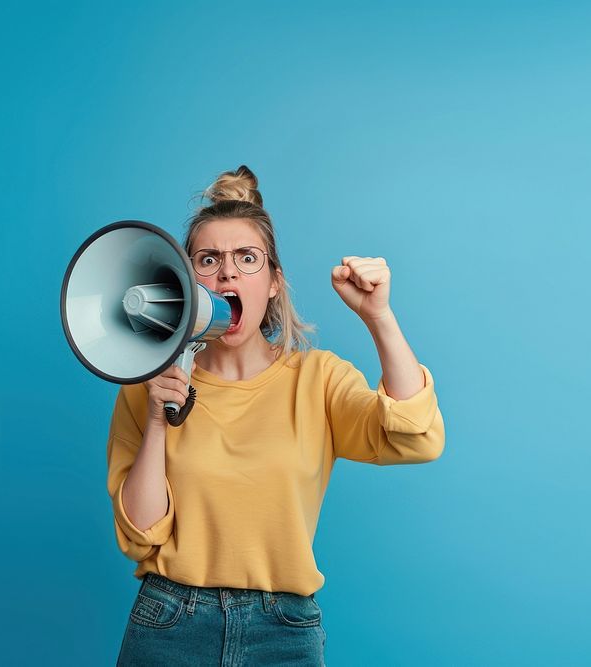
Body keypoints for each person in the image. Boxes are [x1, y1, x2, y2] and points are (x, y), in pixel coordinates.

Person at [107, 165, 446, 665]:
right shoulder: (148, 387)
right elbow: (140, 534)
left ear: (272, 283)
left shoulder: (317, 381)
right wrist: (159, 419)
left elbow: (415, 436)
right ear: (187, 282)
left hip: (283, 632)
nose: (227, 273)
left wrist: (379, 317)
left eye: (247, 258)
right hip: (170, 621)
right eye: (208, 260)